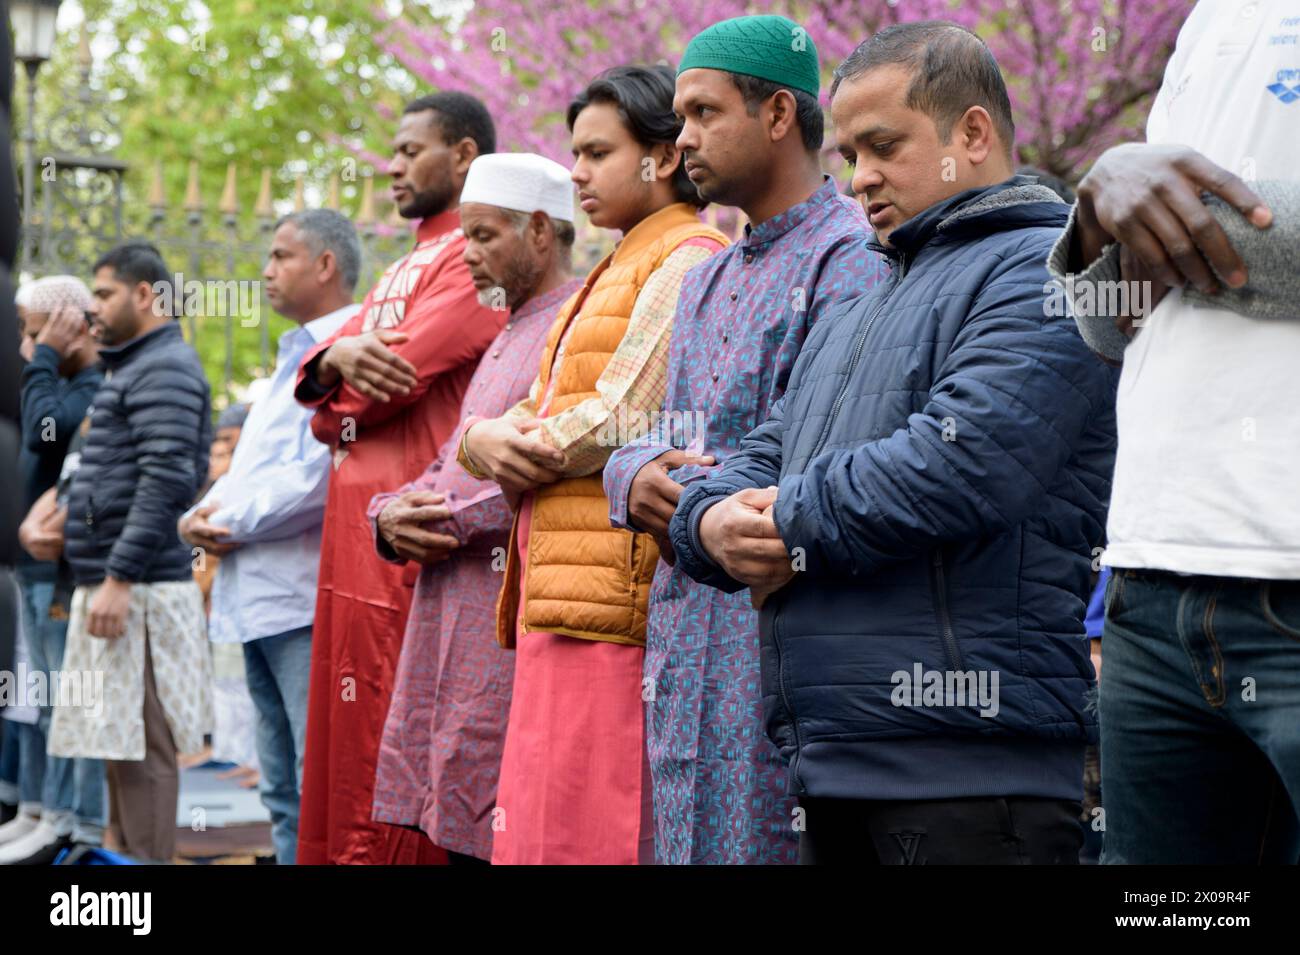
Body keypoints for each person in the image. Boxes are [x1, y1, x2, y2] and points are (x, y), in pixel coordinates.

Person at [668, 20, 1118, 865]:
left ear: (972, 133)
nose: (860, 178)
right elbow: (772, 441)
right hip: (835, 759)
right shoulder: (869, 286)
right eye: (848, 153)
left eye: (883, 146)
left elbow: (968, 461)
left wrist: (784, 518)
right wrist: (707, 522)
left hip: (972, 769)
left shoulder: (1046, 269)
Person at [601, 14, 884, 865]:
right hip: (687, 622)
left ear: (777, 116)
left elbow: (818, 443)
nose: (680, 139)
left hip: (779, 625)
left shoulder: (853, 259)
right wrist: (632, 473)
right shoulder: (708, 274)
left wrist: (686, 488)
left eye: (703, 113)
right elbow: (648, 432)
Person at [1046, 0, 1300, 864]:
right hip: (1154, 578)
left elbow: (1165, 243)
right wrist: (1097, 203)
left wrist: (1155, 214)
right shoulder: (1211, 18)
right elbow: (1108, 322)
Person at [459, 65, 727, 864]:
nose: (575, 172)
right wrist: (484, 437)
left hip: (616, 594)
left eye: (596, 152)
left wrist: (494, 443)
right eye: (575, 154)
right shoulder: (614, 269)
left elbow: (616, 414)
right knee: (546, 827)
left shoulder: (687, 255)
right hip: (562, 585)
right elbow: (541, 405)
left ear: (664, 156)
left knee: (599, 831)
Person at [293, 92, 503, 865]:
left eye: (411, 149)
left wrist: (335, 375)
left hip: (411, 535)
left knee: (391, 735)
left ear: (464, 156)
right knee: (344, 741)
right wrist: (330, 367)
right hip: (353, 545)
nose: (391, 165)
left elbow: (396, 376)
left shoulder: (469, 257)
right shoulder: (403, 261)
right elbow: (319, 408)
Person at [370, 153, 581, 864]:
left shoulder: (570, 326)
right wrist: (389, 515)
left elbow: (548, 460)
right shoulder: (509, 329)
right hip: (448, 608)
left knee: (498, 821)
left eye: (486, 236)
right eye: (465, 236)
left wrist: (436, 522)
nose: (469, 255)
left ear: (542, 232)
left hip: (505, 615)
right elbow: (451, 459)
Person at [179, 209, 363, 865]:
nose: (265, 270)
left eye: (281, 255)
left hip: (300, 600)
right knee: (283, 788)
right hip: (258, 597)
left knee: (317, 786)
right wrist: (197, 516)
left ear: (324, 265)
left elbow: (317, 477)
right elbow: (250, 471)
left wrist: (221, 523)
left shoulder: (347, 346)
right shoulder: (290, 359)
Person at [47, 241, 214, 863]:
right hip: (121, 583)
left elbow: (167, 479)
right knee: (119, 745)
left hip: (139, 587)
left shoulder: (164, 366)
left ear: (145, 295)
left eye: (105, 293)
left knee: (143, 749)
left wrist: (117, 576)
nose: (94, 308)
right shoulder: (137, 365)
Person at [0, 277, 106, 865]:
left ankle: (72, 824)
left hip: (61, 573)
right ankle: (39, 809)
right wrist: (43, 354)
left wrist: (43, 356)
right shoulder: (56, 378)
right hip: (31, 571)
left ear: (70, 326)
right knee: (36, 703)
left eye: (36, 333)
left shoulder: (88, 387)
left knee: (65, 701)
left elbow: (44, 425)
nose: (26, 349)